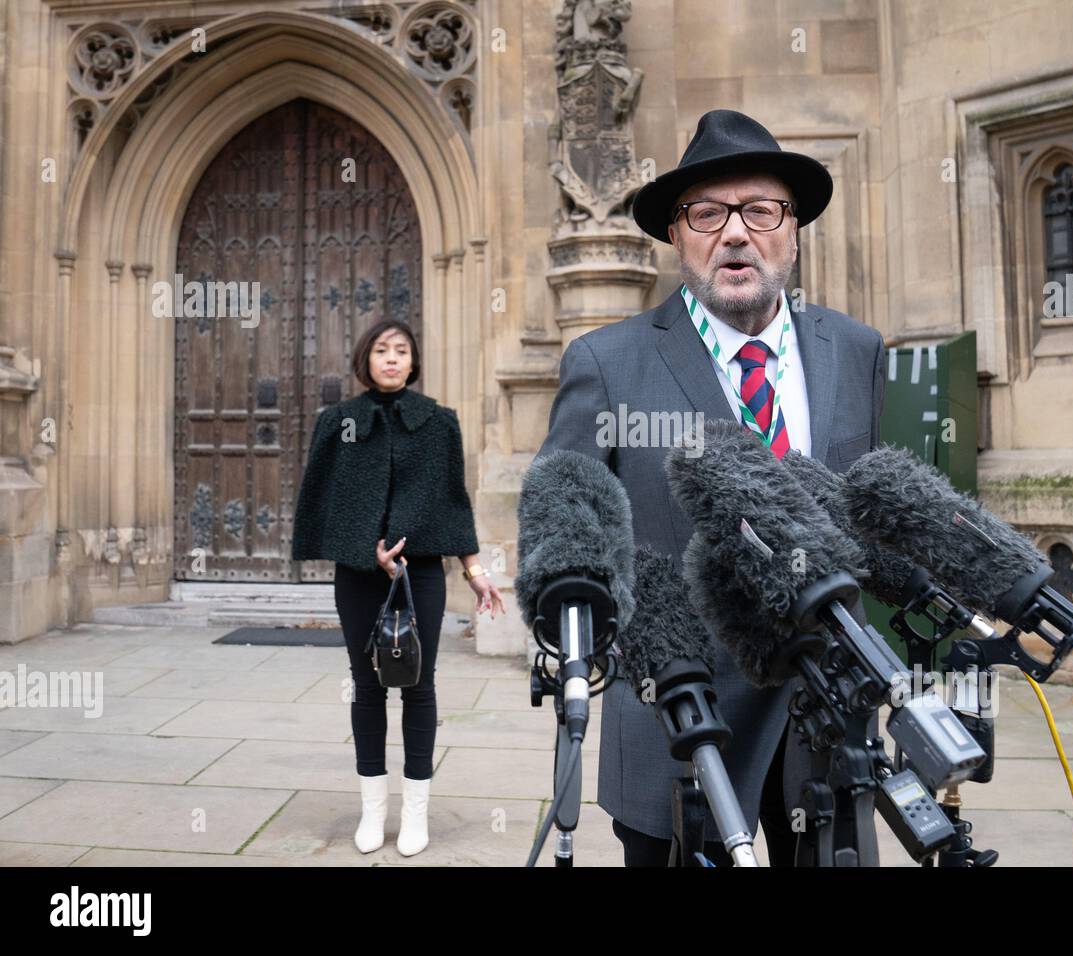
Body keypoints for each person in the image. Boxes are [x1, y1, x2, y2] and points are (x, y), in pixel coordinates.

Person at [537, 109, 887, 866]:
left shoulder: (855, 350)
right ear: (676, 234)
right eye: (707, 212)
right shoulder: (607, 362)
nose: (735, 233)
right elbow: (568, 520)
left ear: (793, 231)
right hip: (679, 717)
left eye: (760, 210)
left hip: (824, 724)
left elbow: (870, 513)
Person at [291, 319, 505, 856]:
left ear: (414, 362)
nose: (391, 359)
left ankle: (415, 815)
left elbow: (453, 502)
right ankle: (372, 813)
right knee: (367, 687)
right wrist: (367, 551)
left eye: (401, 350)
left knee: (418, 685)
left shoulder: (438, 423)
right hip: (359, 576)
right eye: (382, 350)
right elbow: (326, 500)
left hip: (421, 573)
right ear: (365, 359)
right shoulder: (338, 422)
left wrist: (476, 574)